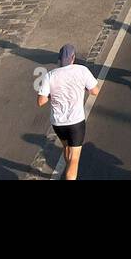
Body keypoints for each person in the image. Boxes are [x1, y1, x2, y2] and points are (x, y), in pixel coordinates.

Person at [37, 43, 99, 180]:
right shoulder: (81, 70)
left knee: (66, 148)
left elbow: (41, 101)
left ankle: (68, 171)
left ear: (59, 59)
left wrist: (52, 94)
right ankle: (70, 175)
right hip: (76, 122)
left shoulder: (50, 75)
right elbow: (95, 91)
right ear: (73, 58)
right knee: (75, 159)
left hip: (58, 124)